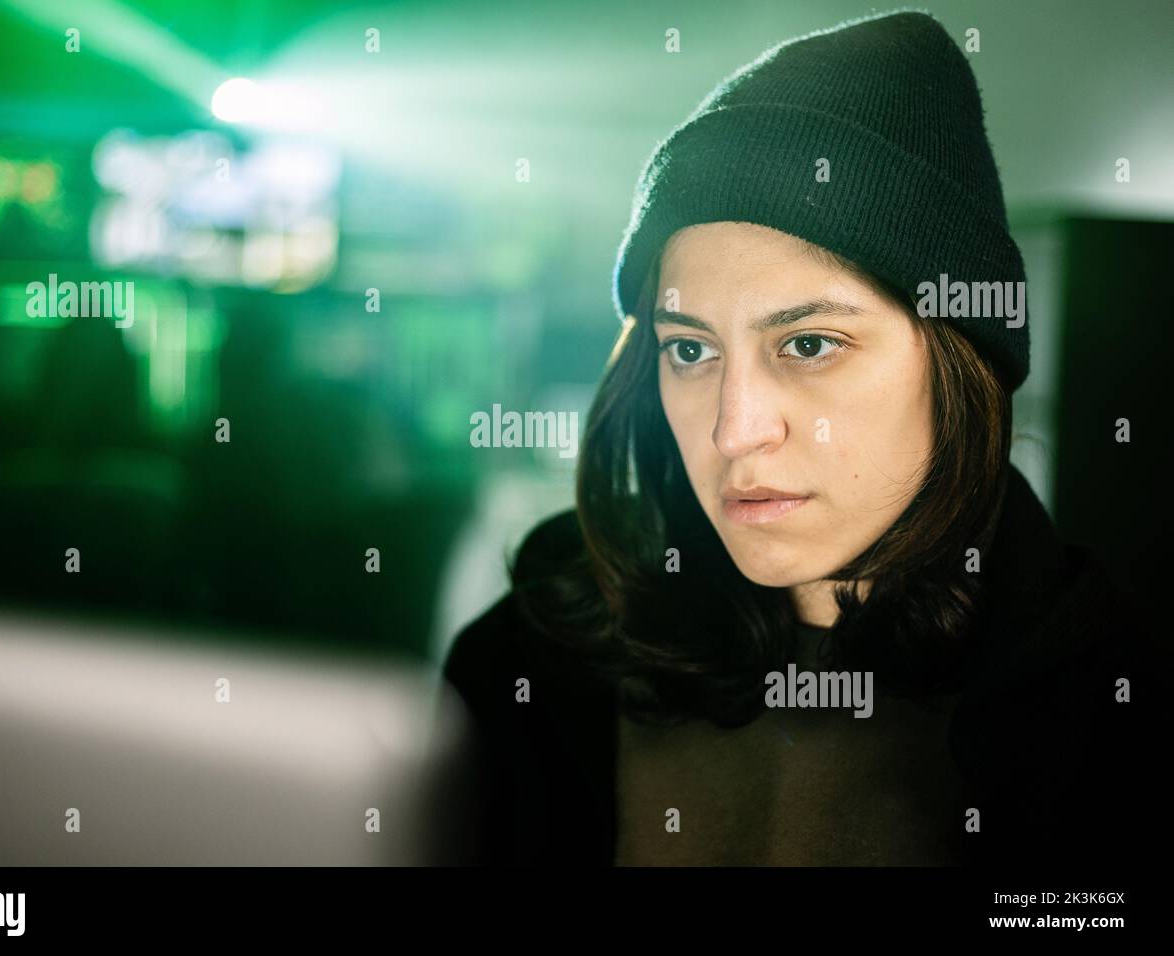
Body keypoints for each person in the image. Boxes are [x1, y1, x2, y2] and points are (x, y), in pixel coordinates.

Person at [436, 10, 1154, 866]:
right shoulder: (530, 657)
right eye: (691, 350)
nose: (736, 430)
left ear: (961, 362)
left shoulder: (1113, 713)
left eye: (809, 344)